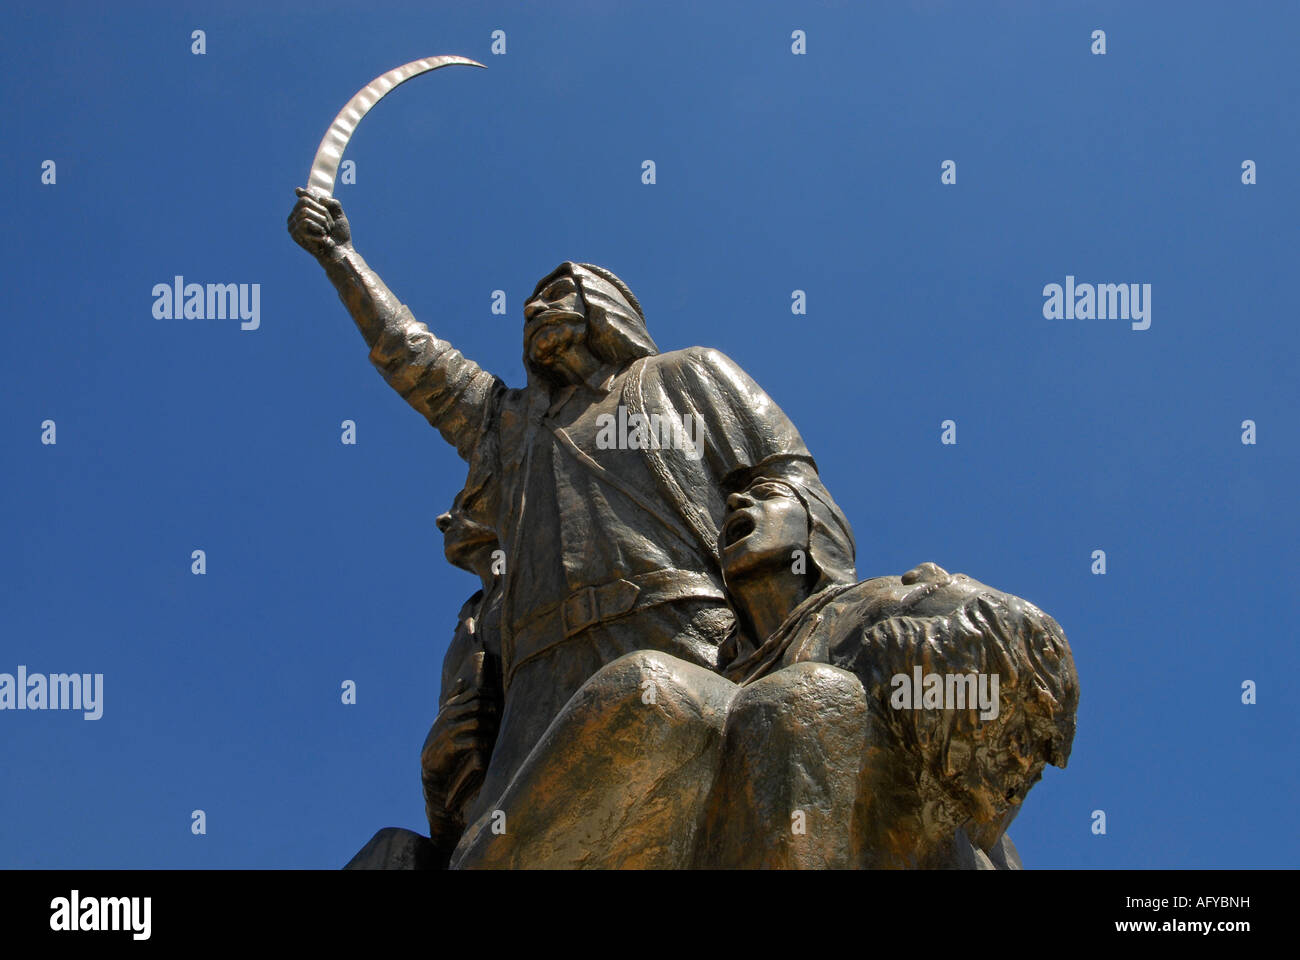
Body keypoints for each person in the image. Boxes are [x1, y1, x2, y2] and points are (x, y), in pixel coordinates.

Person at [287, 189, 854, 824]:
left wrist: (782, 524)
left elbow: (785, 472)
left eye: (558, 293)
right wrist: (340, 257)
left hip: (684, 639)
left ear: (605, 306)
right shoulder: (507, 427)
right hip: (539, 685)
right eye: (530, 302)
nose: (534, 308)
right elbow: (410, 352)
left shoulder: (685, 374)